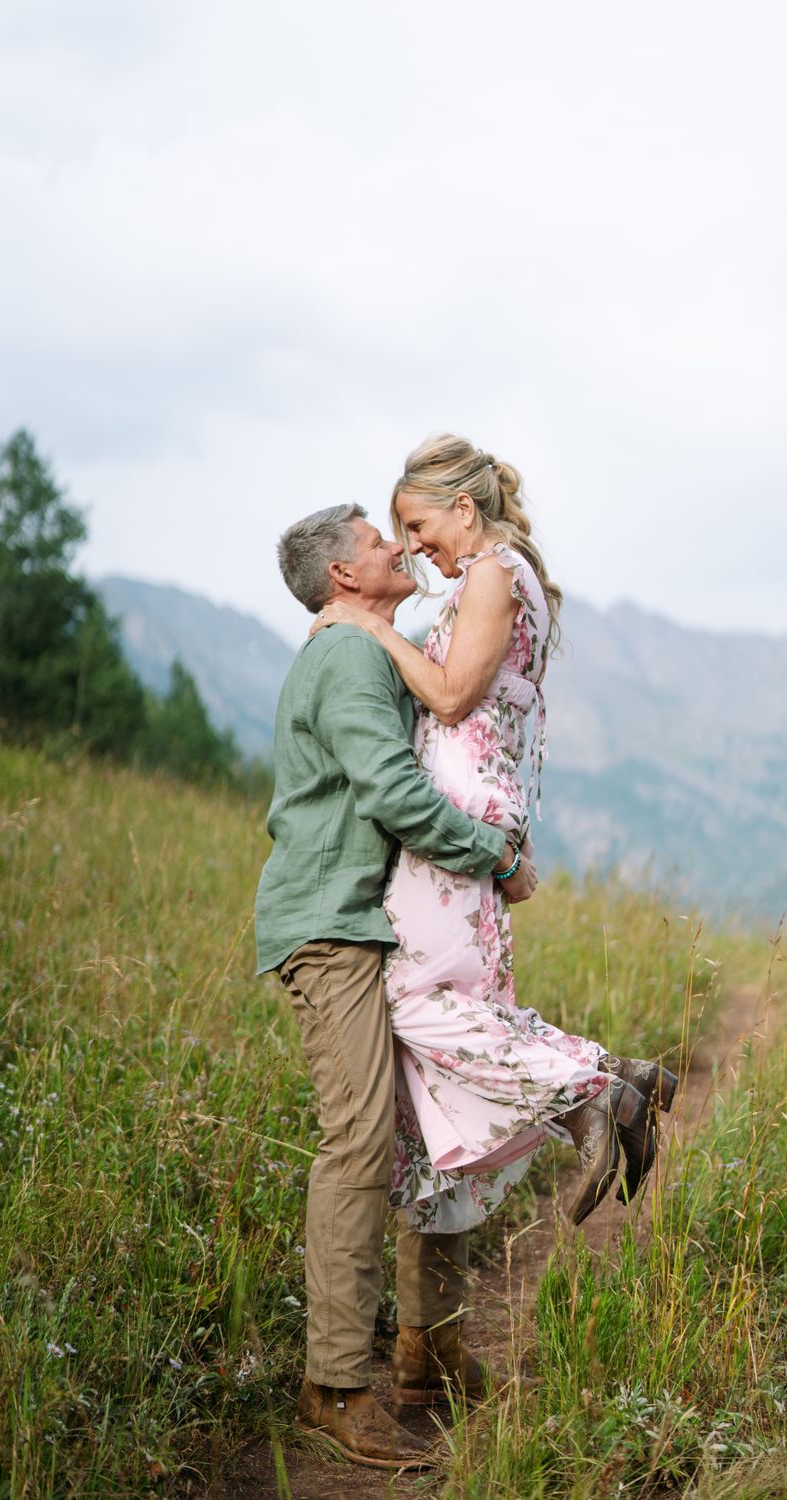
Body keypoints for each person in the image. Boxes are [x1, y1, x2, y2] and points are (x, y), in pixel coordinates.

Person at [310, 434, 678, 1256]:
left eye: (417, 524)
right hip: (484, 810)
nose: (411, 546)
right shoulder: (507, 576)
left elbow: (448, 694)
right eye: (398, 533)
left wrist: (366, 628)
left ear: (465, 510)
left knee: (408, 1007)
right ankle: (620, 1084)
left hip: (457, 819)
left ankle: (596, 1094)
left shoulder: (491, 573)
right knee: (467, 1014)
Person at [255, 503, 536, 1470]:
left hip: (380, 923)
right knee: (364, 1135)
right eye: (380, 542)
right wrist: (494, 857)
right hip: (331, 925)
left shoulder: (370, 640)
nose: (399, 547)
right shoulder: (342, 660)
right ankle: (333, 1384)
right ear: (343, 575)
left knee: (431, 1126)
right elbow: (393, 792)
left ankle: (429, 1349)